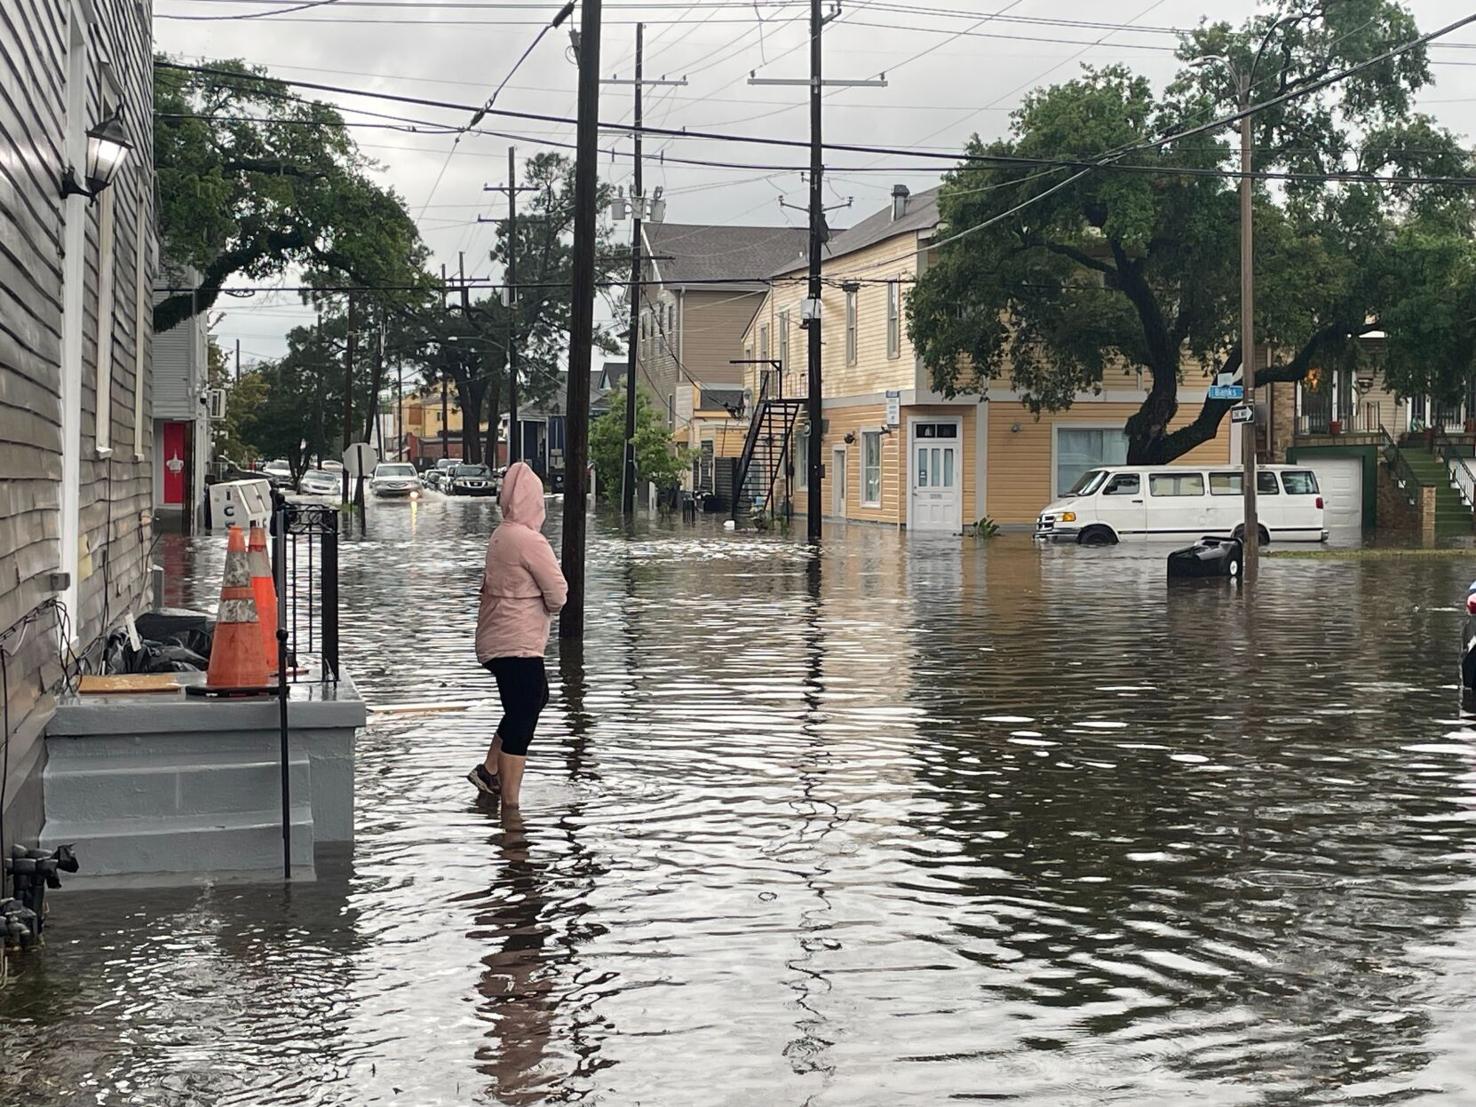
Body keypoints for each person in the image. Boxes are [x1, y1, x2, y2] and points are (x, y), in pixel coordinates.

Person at [470, 462, 567, 807]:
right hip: (518, 643)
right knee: (524, 712)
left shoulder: (501, 535)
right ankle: (510, 808)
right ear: (534, 501)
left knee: (532, 701)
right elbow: (558, 594)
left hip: (497, 639)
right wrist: (548, 604)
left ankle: (489, 770)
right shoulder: (529, 541)